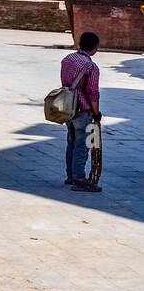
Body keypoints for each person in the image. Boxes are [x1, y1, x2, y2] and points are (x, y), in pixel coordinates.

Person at [61, 31, 102, 192]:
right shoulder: (91, 66)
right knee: (82, 144)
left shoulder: (68, 59)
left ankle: (70, 175)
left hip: (67, 106)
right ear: (95, 47)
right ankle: (79, 179)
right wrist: (96, 113)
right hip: (82, 108)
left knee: (71, 142)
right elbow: (93, 93)